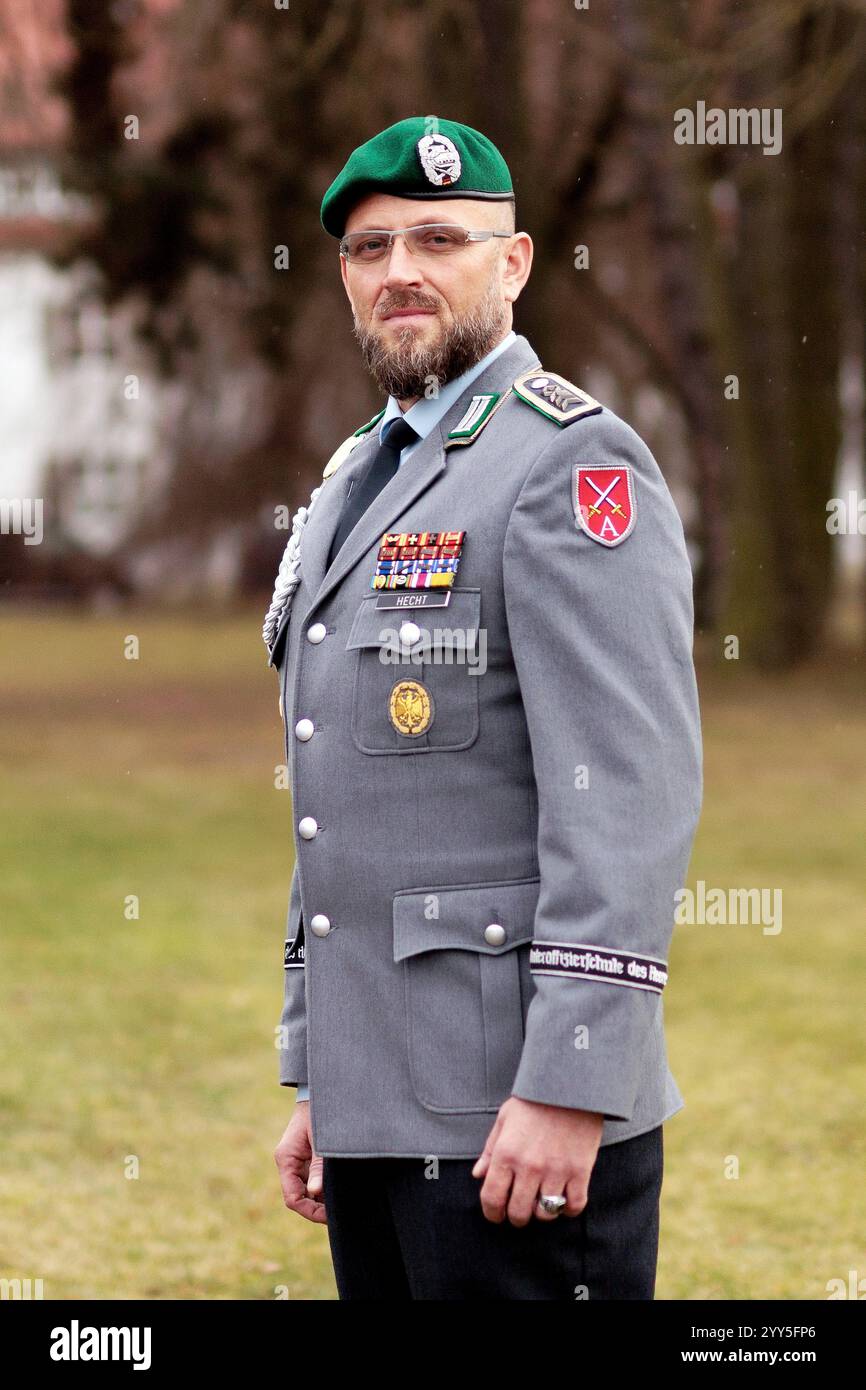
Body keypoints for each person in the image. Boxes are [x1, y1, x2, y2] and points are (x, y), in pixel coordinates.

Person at [267, 116, 702, 1300]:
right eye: (369, 248)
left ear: (510, 265)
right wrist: (328, 1081)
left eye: (439, 239)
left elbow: (626, 792)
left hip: (517, 1118)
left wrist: (569, 1082)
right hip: (386, 1110)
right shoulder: (366, 474)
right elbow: (344, 802)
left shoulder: (570, 467)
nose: (400, 269)